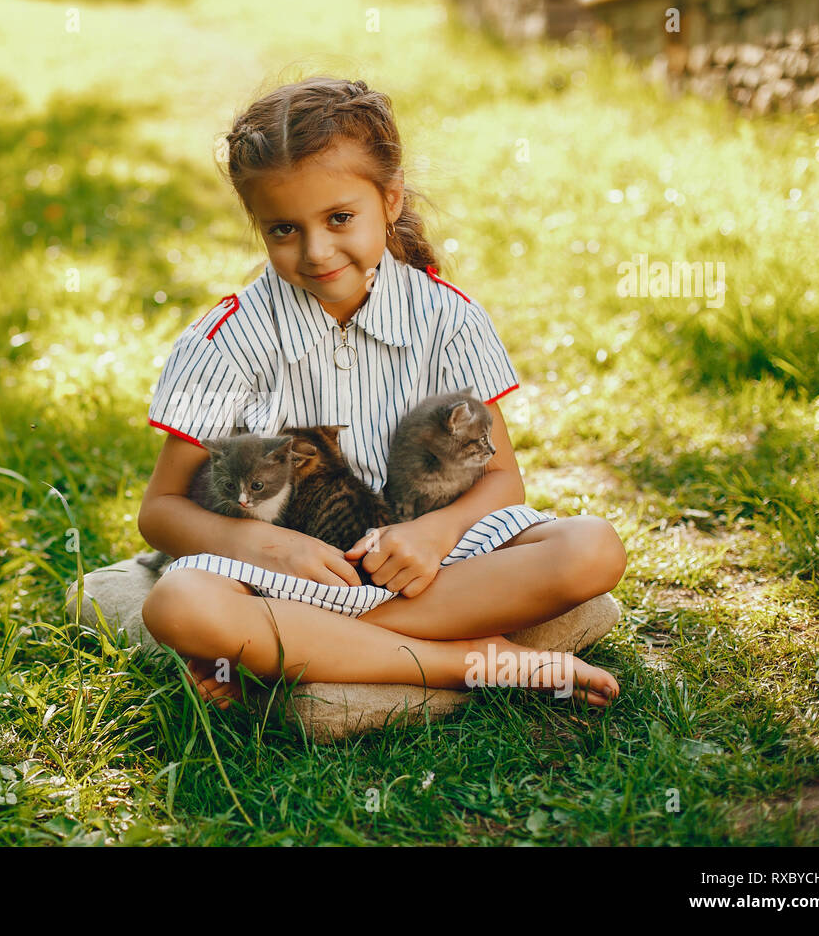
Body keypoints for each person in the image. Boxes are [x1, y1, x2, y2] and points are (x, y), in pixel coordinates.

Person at [137, 76, 626, 710]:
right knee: (181, 605)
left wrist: (436, 535)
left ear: (389, 200)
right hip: (278, 581)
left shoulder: (447, 320)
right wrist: (266, 545)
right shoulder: (225, 340)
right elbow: (162, 510)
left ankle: (293, 651)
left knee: (589, 549)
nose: (315, 252)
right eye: (283, 229)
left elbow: (502, 482)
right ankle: (469, 660)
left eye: (340, 218)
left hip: (426, 572)